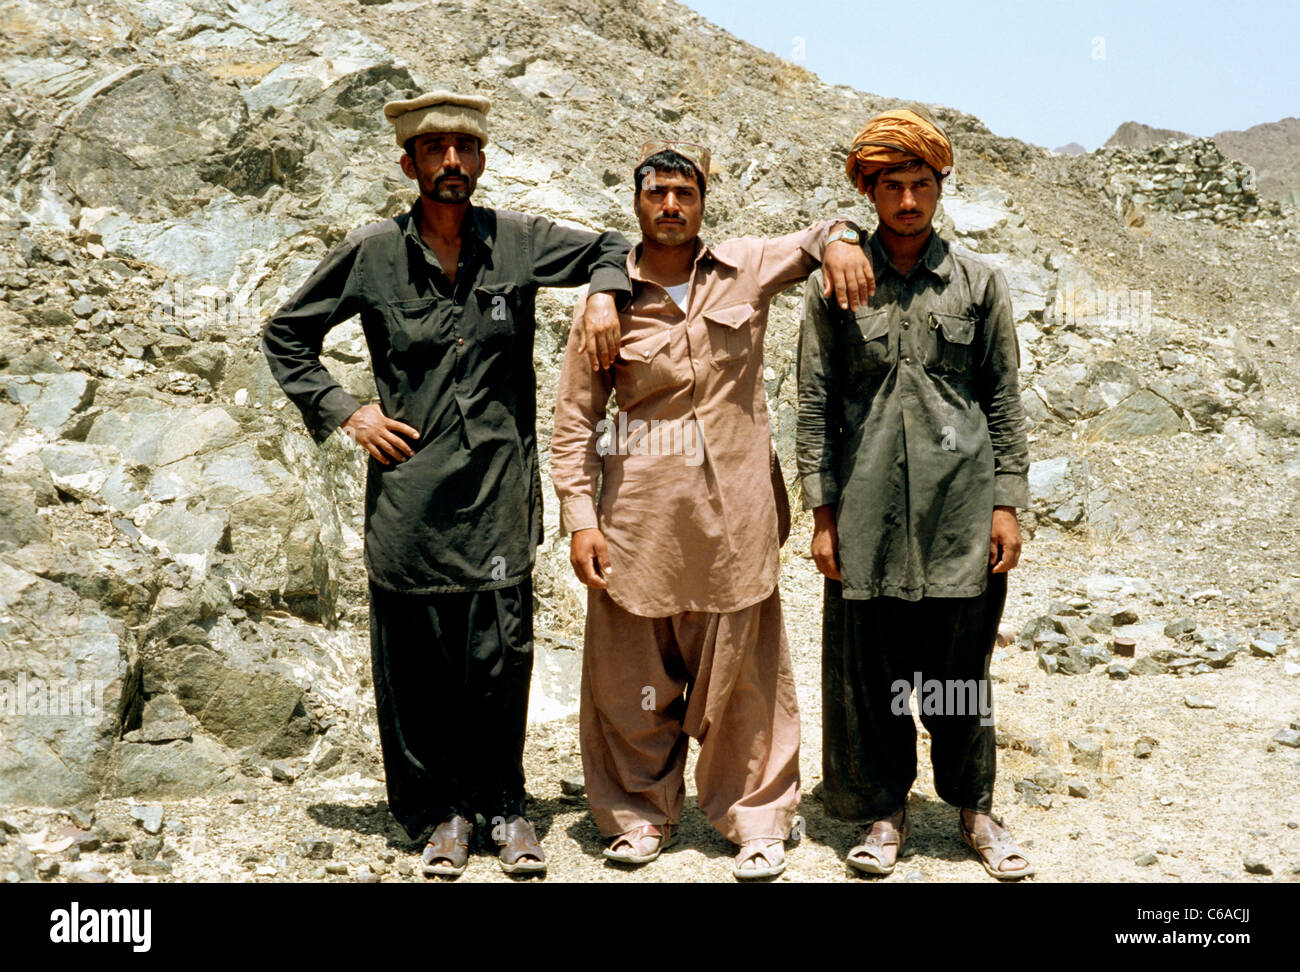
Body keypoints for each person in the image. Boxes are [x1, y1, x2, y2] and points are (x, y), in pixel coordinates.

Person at [261, 90, 633, 879]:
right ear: (410, 164)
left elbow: (613, 244)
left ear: (482, 160)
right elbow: (285, 335)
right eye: (435, 151)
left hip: (498, 494)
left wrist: (602, 293)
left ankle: (505, 807)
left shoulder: (519, 241)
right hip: (409, 499)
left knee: (499, 658)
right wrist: (346, 411)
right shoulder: (371, 252)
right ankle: (439, 816)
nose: (452, 163)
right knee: (418, 666)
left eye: (465, 149)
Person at [550, 140, 874, 880]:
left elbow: (820, 231)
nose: (670, 206)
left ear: (702, 203)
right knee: (629, 680)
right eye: (656, 194)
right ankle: (637, 816)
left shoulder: (745, 266)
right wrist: (581, 518)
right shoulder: (606, 305)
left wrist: (844, 241)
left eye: (684, 194)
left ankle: (756, 819)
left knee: (747, 681)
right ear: (637, 204)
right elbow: (574, 421)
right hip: (640, 523)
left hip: (736, 520)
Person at [797, 105, 1034, 880]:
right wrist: (823, 514)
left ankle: (975, 808)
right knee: (873, 677)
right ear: (868, 190)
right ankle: (884, 813)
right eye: (891, 184)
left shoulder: (978, 284)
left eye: (920, 183)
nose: (906, 199)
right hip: (865, 518)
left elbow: (1003, 400)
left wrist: (1008, 503)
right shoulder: (837, 284)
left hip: (960, 517)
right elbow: (814, 402)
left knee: (959, 675)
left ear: (940, 186)